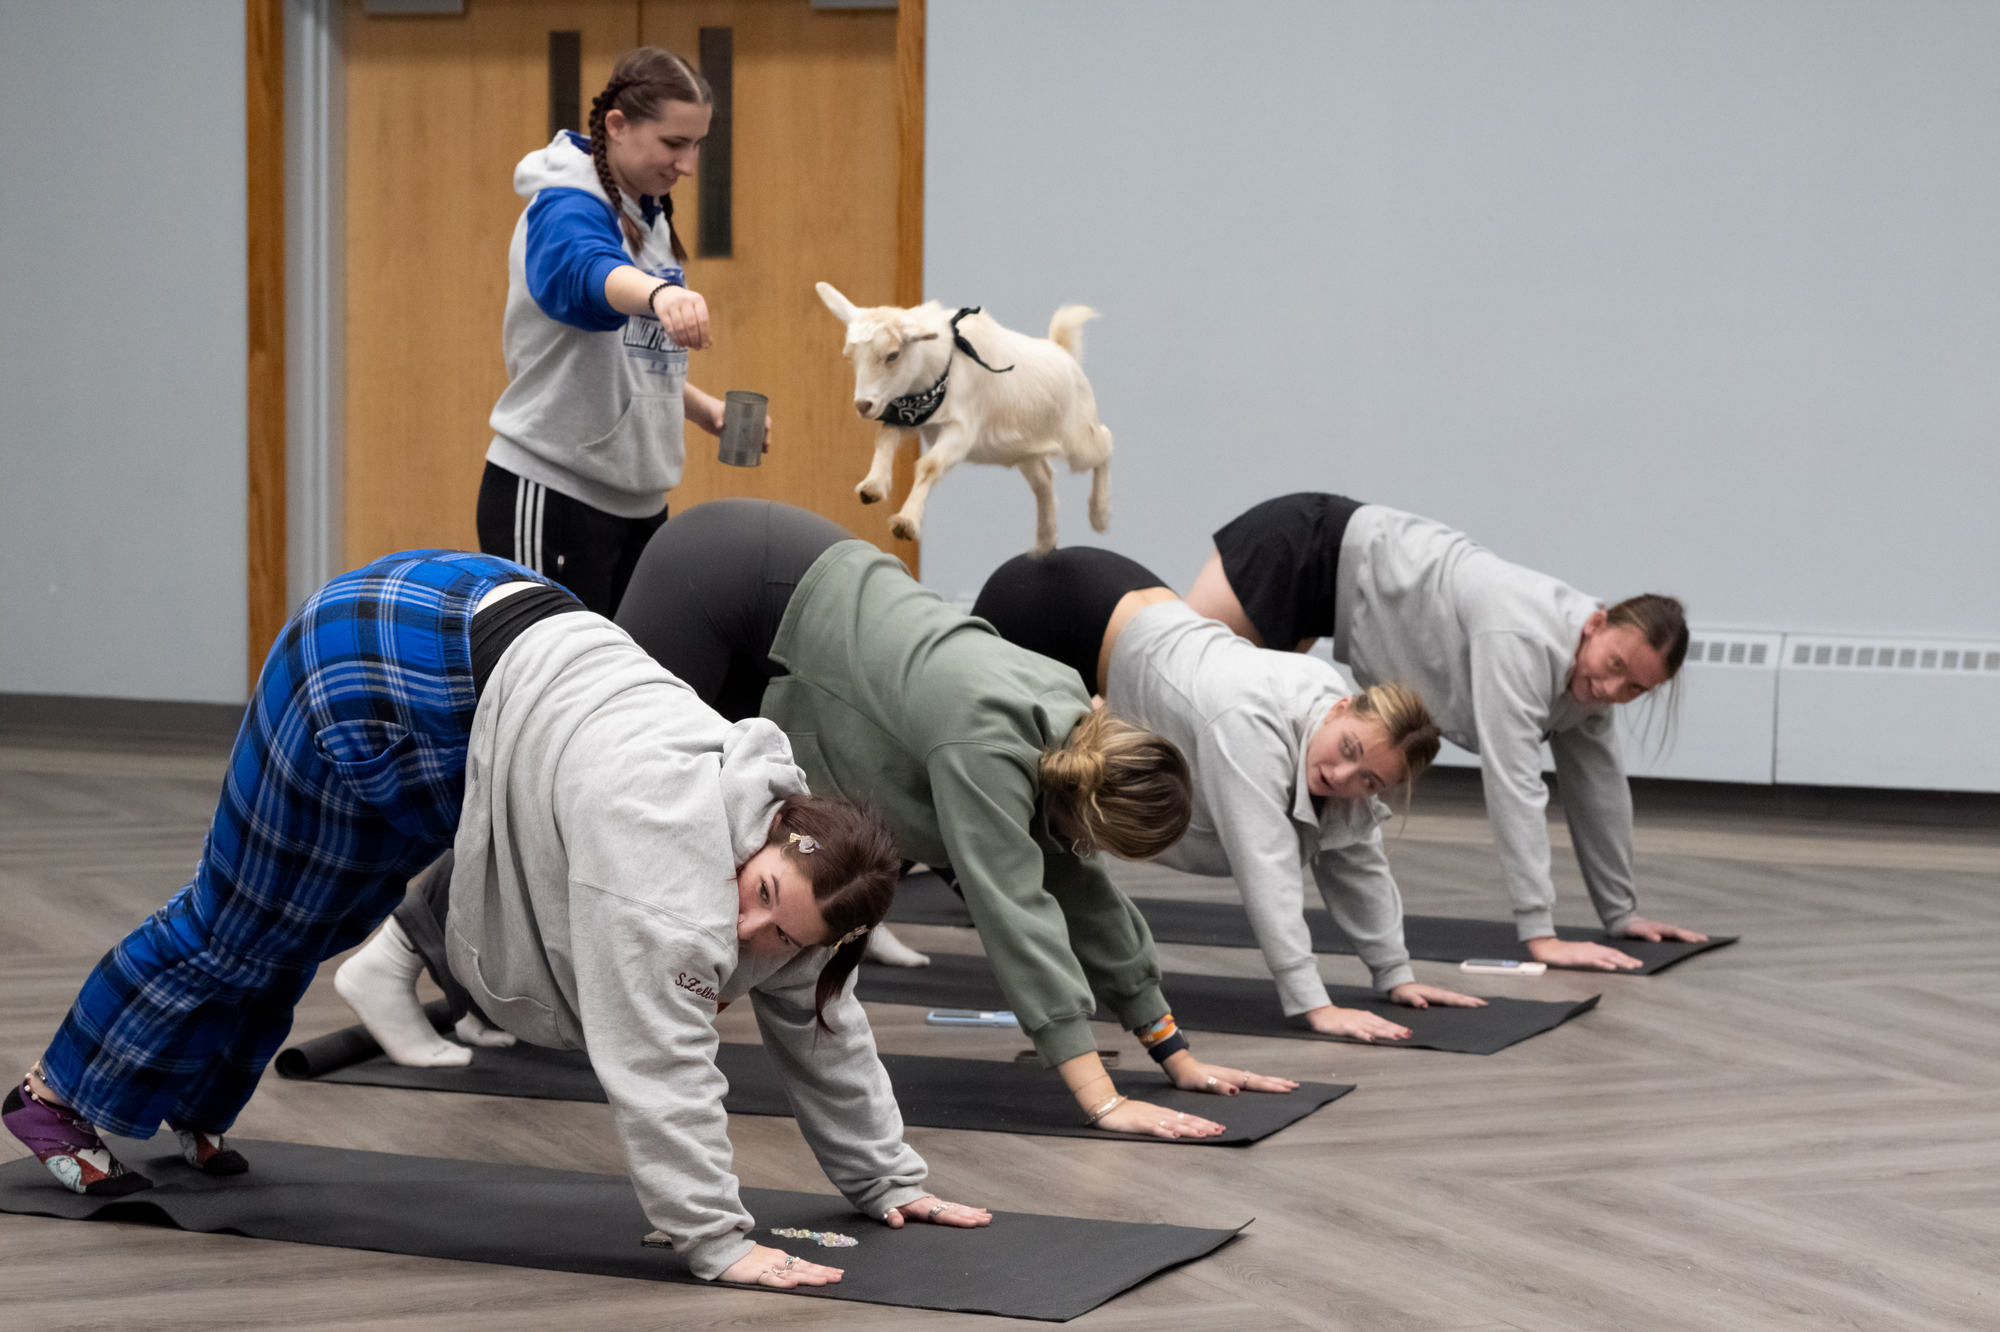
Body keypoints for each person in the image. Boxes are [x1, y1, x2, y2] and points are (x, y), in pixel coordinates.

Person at [2, 551, 987, 1289]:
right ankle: (51, 1097)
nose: (749, 932)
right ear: (766, 834)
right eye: (760, 895)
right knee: (239, 920)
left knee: (314, 922)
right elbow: (662, 1067)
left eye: (785, 936)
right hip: (374, 659)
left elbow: (825, 1027)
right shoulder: (659, 845)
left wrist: (885, 1180)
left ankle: (188, 1109)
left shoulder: (805, 870)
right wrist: (718, 1241)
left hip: (485, 677)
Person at [612, 499, 1303, 1140]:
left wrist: (1172, 1051)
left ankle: (637, 1009)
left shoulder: (1067, 741)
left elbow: (1085, 896)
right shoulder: (987, 749)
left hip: (785, 615)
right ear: (1091, 816)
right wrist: (1105, 1099)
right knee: (637, 792)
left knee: (712, 804)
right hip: (727, 575)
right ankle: (553, 986)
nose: (1097, 856)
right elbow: (1015, 914)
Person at [974, 548, 1488, 1038]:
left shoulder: (1337, 729)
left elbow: (1356, 858)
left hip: (1126, 605)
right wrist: (1315, 1004)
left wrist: (1395, 973)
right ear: (1339, 709)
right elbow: (1267, 865)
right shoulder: (1249, 723)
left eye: (1369, 781)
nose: (1342, 775)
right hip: (1049, 603)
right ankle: (911, 902)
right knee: (980, 787)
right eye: (1348, 748)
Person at [1186, 493, 1707, 970]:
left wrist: (1622, 913)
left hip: (1339, 587)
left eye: (1633, 688)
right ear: (1594, 623)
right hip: (1302, 546)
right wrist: (1540, 932)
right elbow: (1515, 782)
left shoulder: (1590, 681)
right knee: (1178, 683)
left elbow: (1600, 789)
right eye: (1613, 664)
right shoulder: (1521, 638)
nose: (1610, 688)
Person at [476, 46, 769, 617]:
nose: (687, 164)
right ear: (617, 125)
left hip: (638, 504)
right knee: (554, 693)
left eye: (696, 145)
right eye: (673, 143)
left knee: (620, 693)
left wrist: (699, 406)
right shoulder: (566, 203)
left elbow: (618, 354)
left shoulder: (647, 209)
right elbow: (588, 274)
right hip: (556, 492)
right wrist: (661, 293)